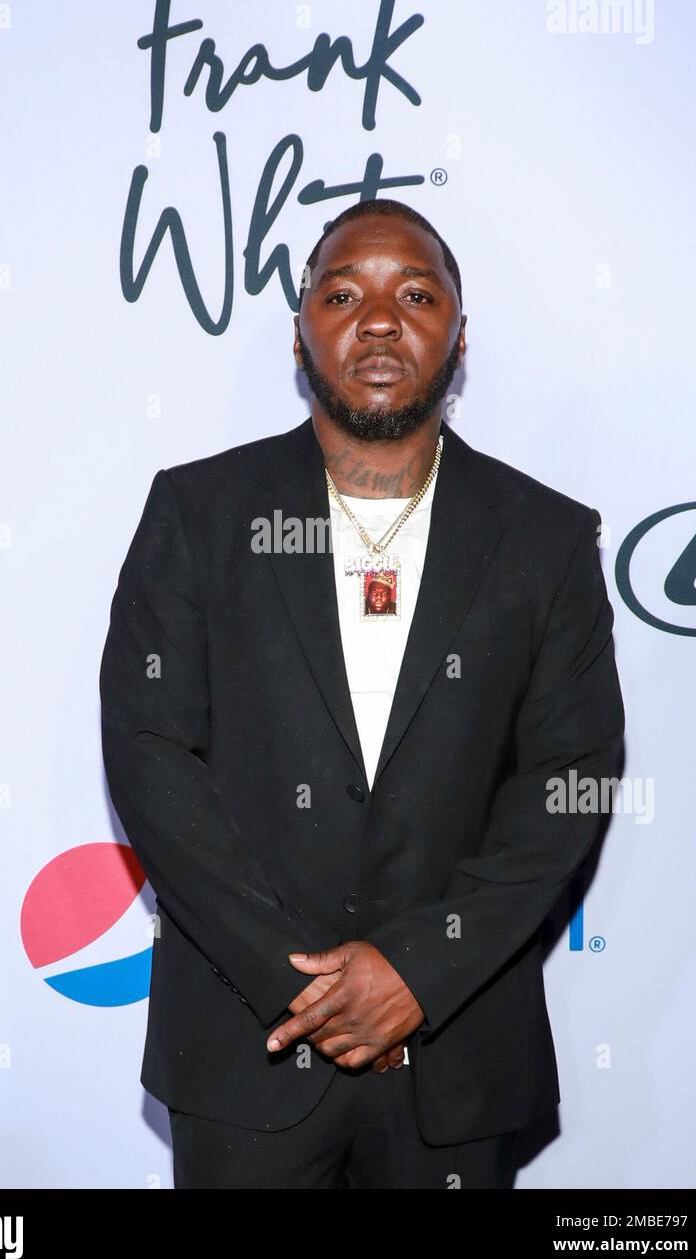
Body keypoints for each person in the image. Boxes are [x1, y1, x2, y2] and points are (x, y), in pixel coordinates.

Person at [99, 197, 625, 1189]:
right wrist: (308, 990)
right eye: (341, 293)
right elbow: (149, 750)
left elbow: (571, 778)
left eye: (414, 294)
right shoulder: (199, 513)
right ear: (300, 335)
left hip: (456, 1059)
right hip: (246, 1052)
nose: (378, 319)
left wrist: (418, 972)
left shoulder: (543, 539)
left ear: (457, 337)